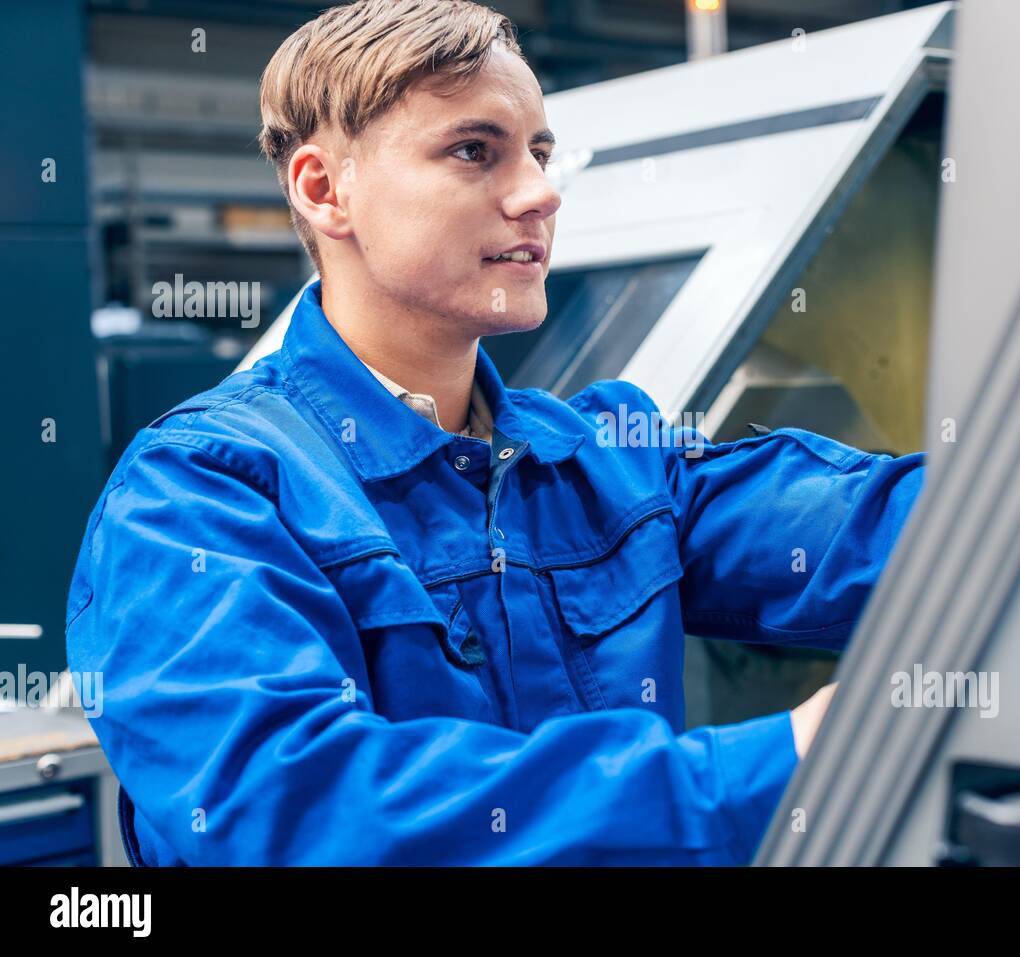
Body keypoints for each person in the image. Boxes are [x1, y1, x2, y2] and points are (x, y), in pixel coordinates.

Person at [65, 0, 925, 865]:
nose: (541, 193)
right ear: (326, 190)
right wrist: (786, 759)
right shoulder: (199, 495)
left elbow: (881, 529)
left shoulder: (605, 460)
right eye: (474, 151)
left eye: (541, 153)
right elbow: (303, 811)